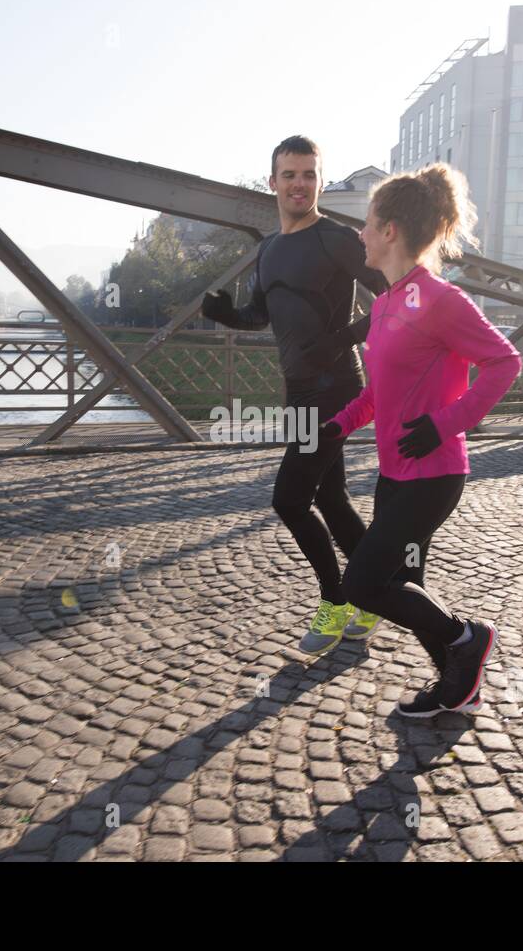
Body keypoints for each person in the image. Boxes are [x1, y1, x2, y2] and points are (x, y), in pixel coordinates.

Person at [322, 163, 522, 717]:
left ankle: (469, 640)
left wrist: (445, 423)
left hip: (434, 475)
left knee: (362, 584)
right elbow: (379, 395)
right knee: (406, 582)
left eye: (366, 223)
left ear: (389, 231)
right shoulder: (385, 303)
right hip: (393, 473)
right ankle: (459, 685)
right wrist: (336, 427)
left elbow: (505, 363)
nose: (359, 234)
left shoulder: (439, 299)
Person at [201, 135, 387, 656]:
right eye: (290, 175)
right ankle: (376, 592)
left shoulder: (338, 238)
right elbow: (261, 315)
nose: (299, 184)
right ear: (273, 183)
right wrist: (226, 316)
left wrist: (343, 338)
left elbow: (394, 294)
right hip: (299, 391)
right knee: (329, 496)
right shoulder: (269, 248)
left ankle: (337, 600)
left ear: (320, 180)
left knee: (289, 498)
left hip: (337, 387)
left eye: (309, 174)